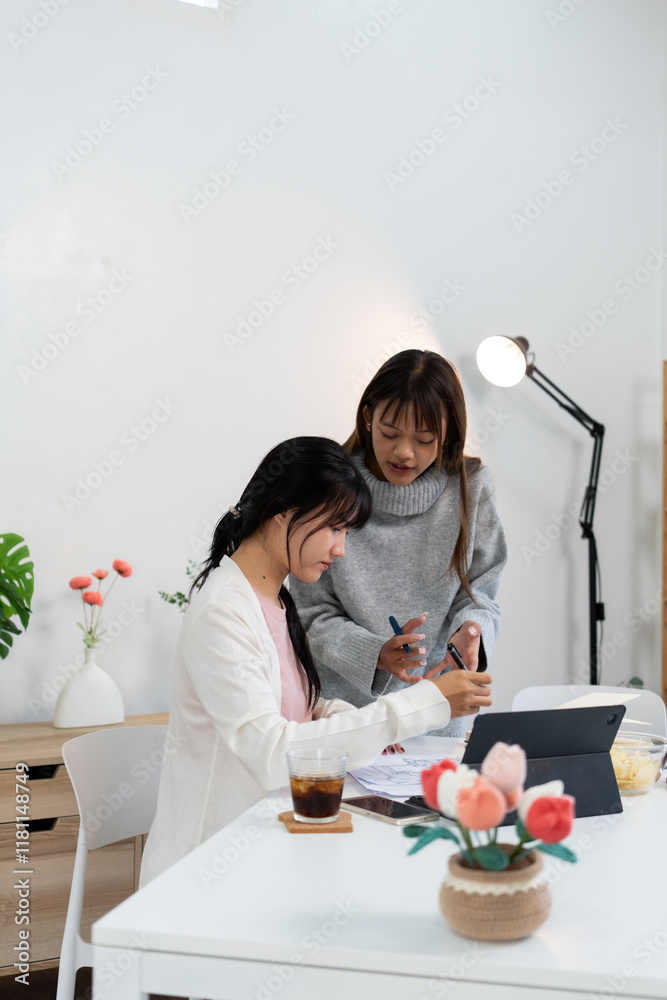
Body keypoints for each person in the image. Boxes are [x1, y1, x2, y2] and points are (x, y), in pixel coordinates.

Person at [140, 436, 492, 885]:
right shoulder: (222, 612)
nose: (341, 549)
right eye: (335, 528)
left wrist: (362, 731)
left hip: (264, 851)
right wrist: (421, 704)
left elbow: (301, 706)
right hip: (207, 873)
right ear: (283, 510)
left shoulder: (275, 601)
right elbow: (271, 753)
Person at [290, 350, 508, 739]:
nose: (404, 452)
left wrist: (471, 629)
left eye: (425, 439)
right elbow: (311, 614)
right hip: (347, 722)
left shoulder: (470, 488)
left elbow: (482, 593)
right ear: (369, 415)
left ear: (448, 435)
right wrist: (375, 653)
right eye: (390, 433)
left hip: (439, 716)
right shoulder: (330, 485)